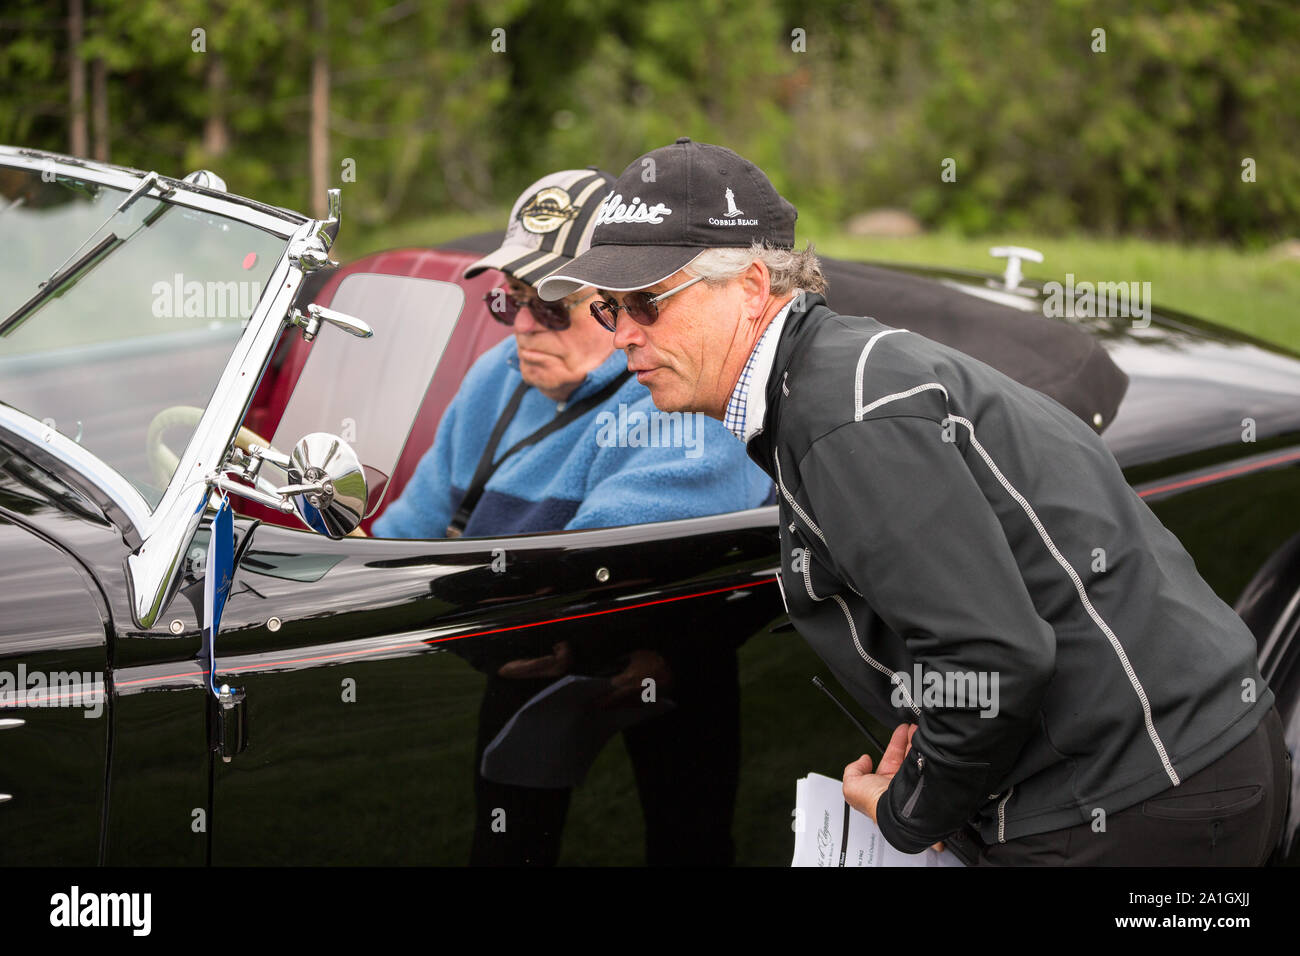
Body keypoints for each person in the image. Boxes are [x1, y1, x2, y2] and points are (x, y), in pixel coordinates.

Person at [535, 138, 1290, 865]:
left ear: (753, 288)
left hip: (1144, 805)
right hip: (1181, 774)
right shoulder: (832, 374)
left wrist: (910, 810)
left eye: (645, 301)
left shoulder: (841, 416)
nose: (624, 334)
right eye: (607, 309)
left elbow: (992, 660)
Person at [372, 167, 773, 865]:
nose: (523, 326)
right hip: (517, 657)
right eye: (510, 301)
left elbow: (586, 584)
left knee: (684, 845)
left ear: (621, 305)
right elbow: (405, 531)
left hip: (657, 667)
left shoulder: (680, 393)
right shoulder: (499, 372)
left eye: (553, 304)